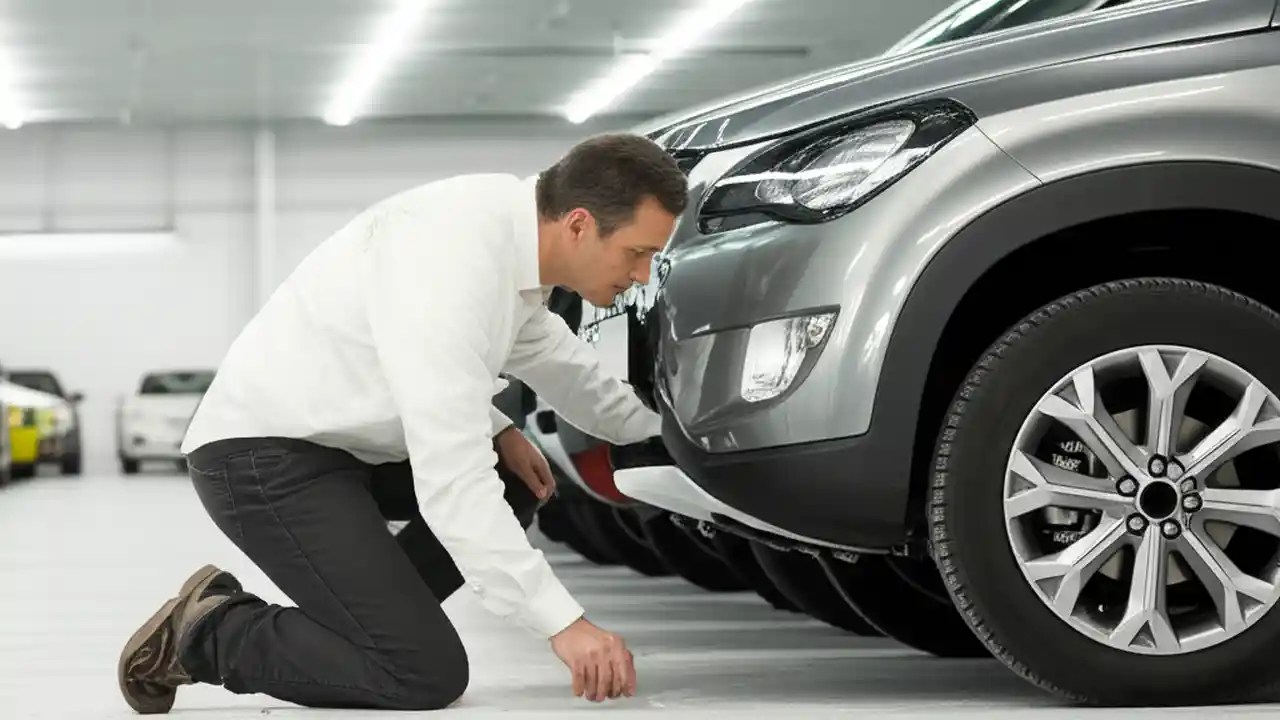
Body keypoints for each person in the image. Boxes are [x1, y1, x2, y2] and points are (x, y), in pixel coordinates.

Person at [117, 133, 689, 714]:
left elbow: (565, 370)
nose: (642, 276)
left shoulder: (511, 249)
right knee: (421, 673)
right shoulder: (453, 259)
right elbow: (455, 485)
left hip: (344, 449)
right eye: (637, 253)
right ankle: (208, 634)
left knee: (514, 480)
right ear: (578, 225)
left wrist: (675, 438)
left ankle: (369, 624)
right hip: (263, 462)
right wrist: (565, 623)